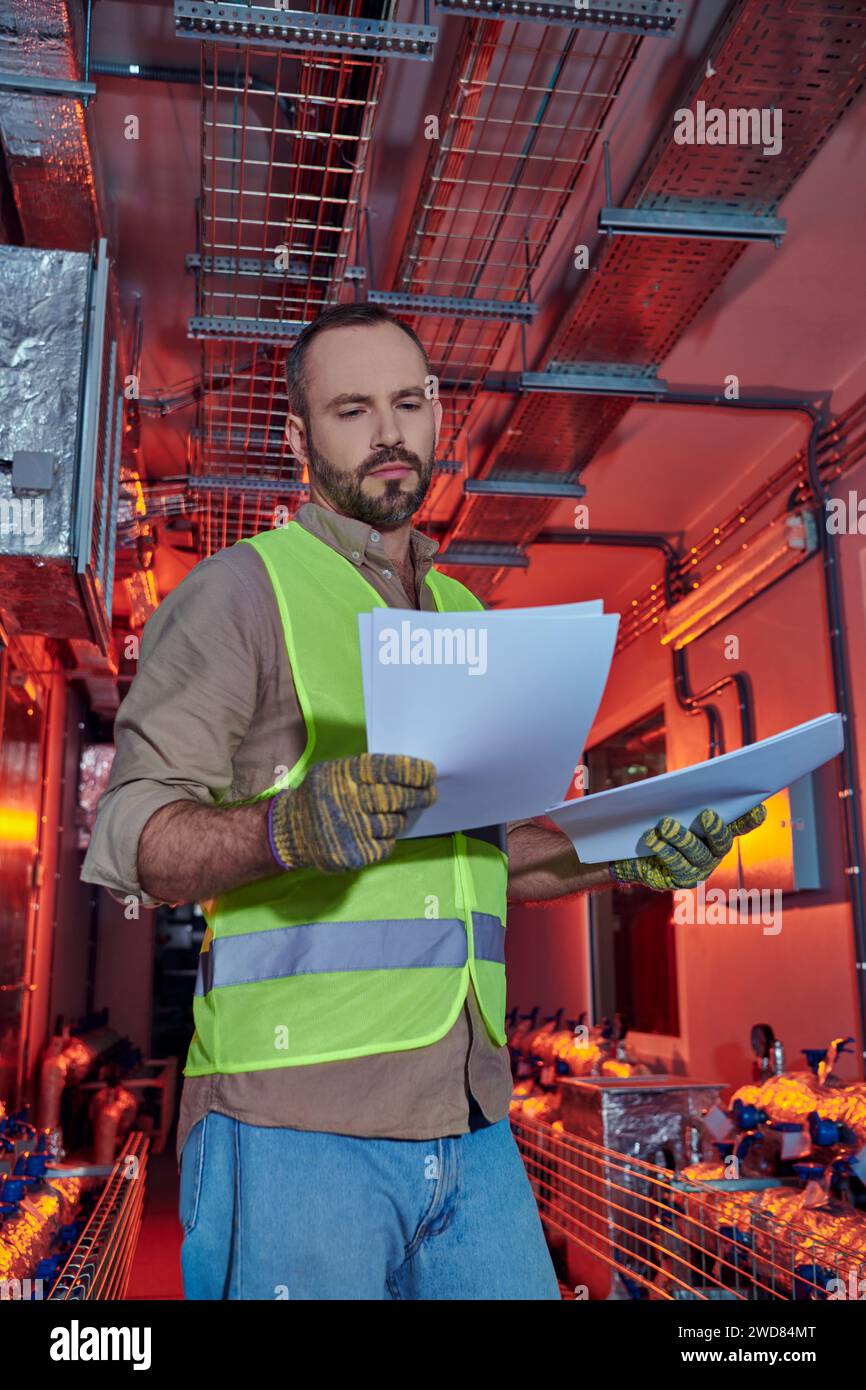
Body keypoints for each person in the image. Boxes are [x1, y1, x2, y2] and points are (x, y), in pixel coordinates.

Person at [81, 302, 765, 1300]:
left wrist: (624, 851)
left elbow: (476, 854)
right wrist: (288, 824)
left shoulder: (460, 614)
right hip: (293, 1127)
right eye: (351, 409)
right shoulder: (241, 593)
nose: (389, 432)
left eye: (407, 402)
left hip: (473, 1116)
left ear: (438, 416)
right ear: (297, 439)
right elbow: (131, 831)